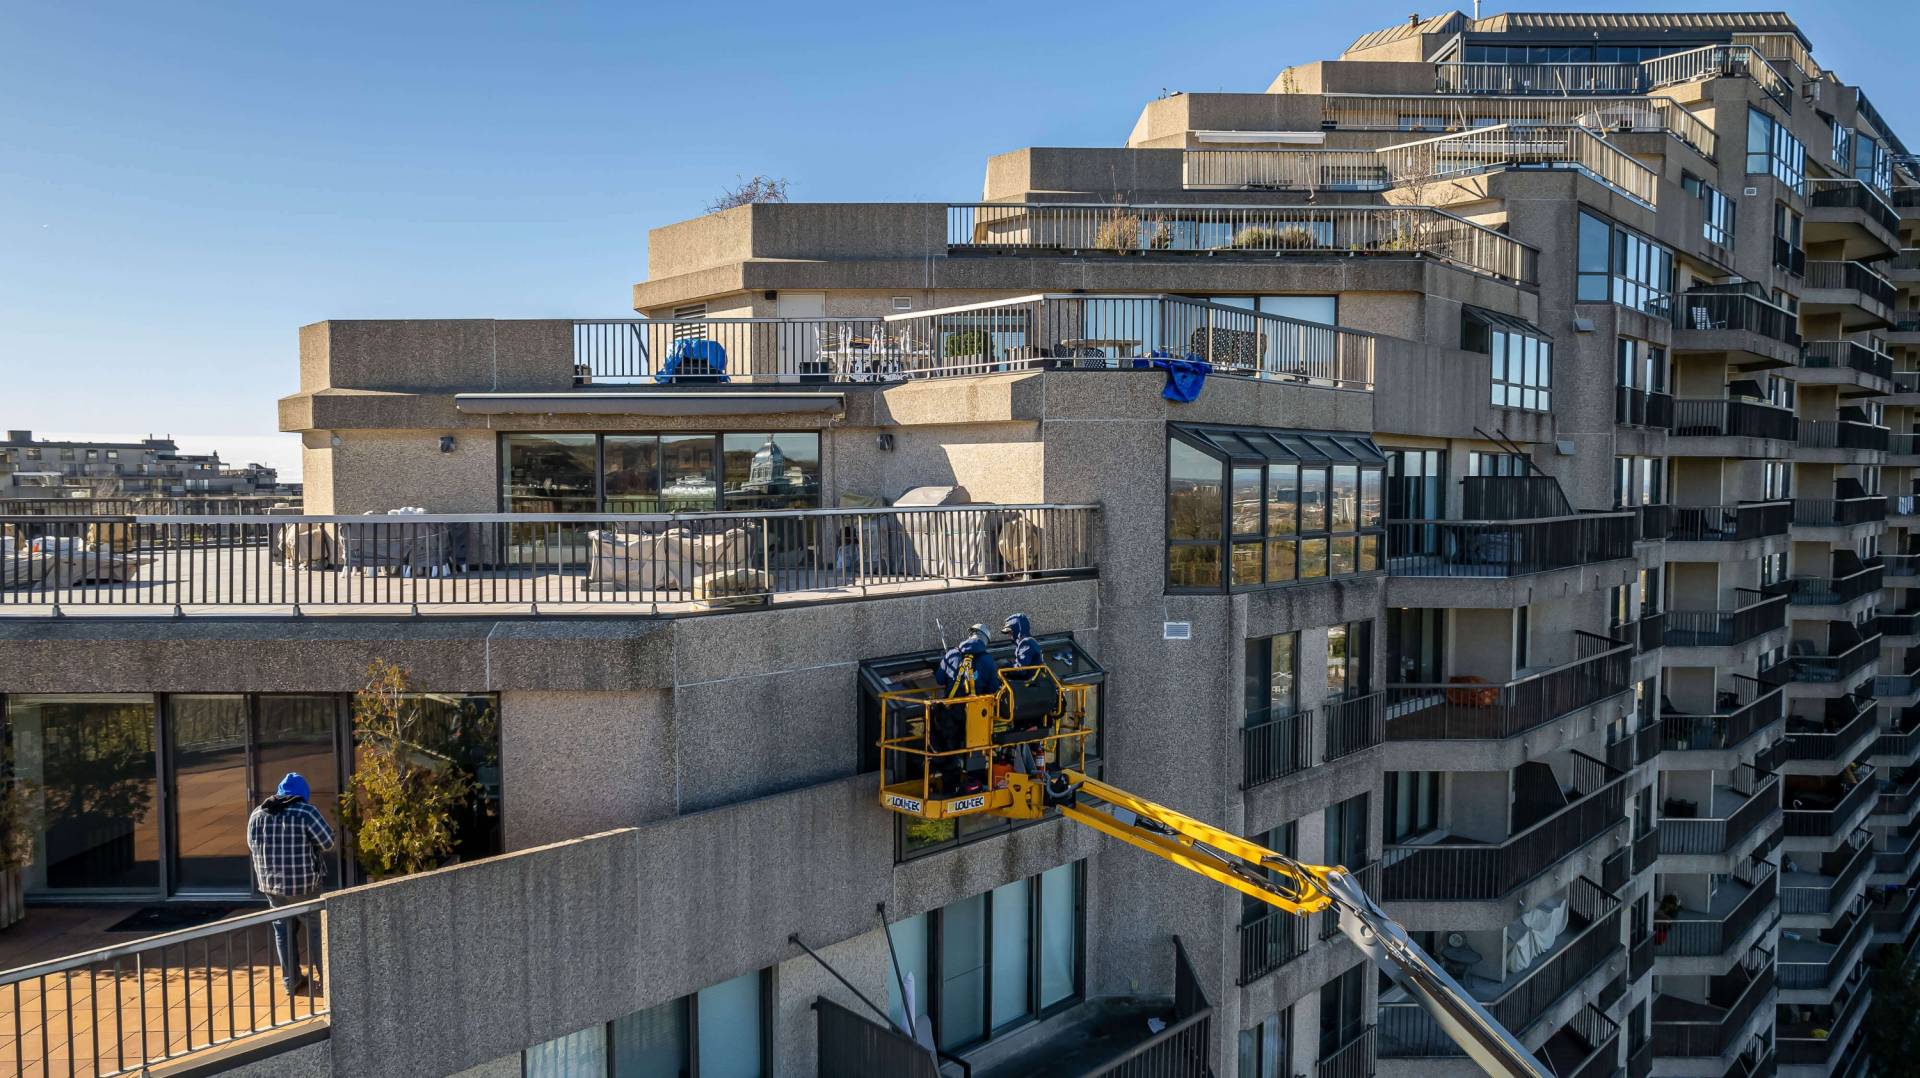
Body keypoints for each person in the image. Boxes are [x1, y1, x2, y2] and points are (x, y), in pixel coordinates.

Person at [246, 772, 336, 995]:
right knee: (317, 931)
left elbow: (251, 844)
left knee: (283, 931)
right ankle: (327, 981)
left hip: (271, 885)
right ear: (302, 794)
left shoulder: (257, 813)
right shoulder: (306, 811)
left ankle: (291, 981)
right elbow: (328, 842)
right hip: (304, 885)